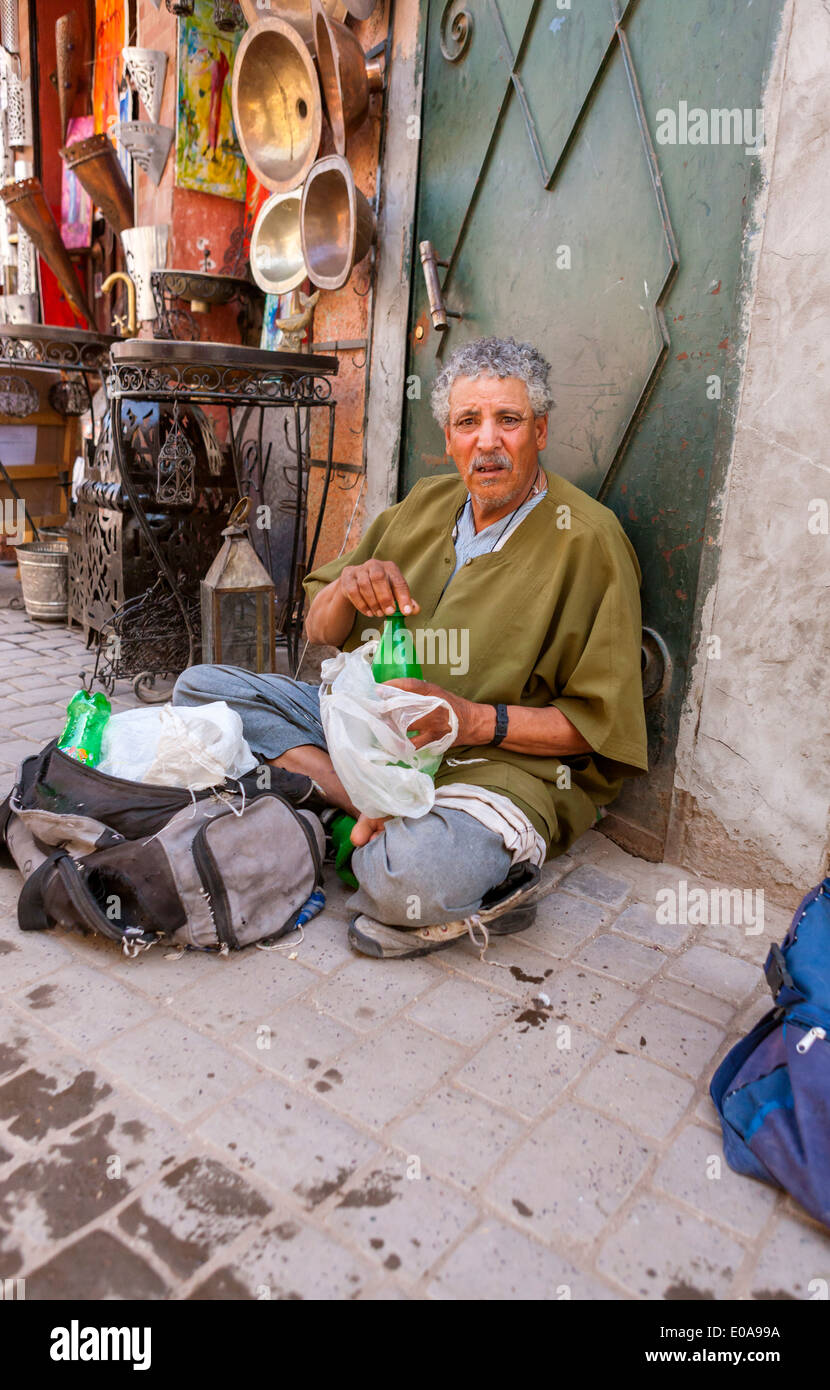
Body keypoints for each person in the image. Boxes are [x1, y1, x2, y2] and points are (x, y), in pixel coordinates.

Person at [173, 336, 648, 959]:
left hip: (495, 765)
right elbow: (318, 631)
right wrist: (347, 586)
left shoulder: (588, 540)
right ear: (450, 438)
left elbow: (595, 729)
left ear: (540, 431)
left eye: (509, 420)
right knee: (203, 690)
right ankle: (368, 807)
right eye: (468, 422)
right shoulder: (425, 502)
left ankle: (345, 825)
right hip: (374, 729)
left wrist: (473, 719)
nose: (488, 441)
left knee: (411, 879)